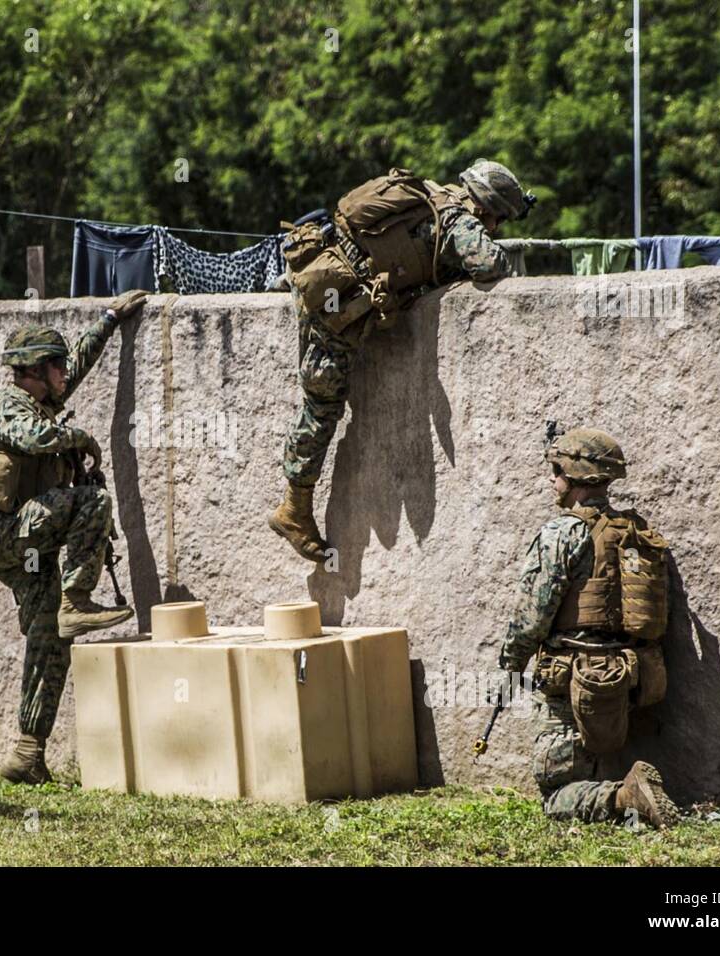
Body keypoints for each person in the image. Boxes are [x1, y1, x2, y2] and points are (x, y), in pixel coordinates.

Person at [270, 160, 534, 561]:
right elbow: (489, 265)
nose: (495, 228)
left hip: (321, 272)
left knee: (319, 397)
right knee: (321, 404)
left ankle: (295, 505)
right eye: (497, 219)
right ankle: (294, 509)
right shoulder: (458, 220)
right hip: (336, 299)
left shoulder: (431, 194)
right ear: (486, 208)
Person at [0, 291, 148, 784]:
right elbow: (35, 438)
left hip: (31, 540)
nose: (65, 373)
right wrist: (81, 438)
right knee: (93, 501)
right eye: (56, 366)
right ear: (34, 370)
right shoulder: (9, 404)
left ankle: (28, 752)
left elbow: (78, 366)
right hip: (4, 534)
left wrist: (108, 320)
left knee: (50, 637)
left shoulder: (42, 397)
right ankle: (77, 597)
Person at [498, 427, 679, 828]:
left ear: (577, 476)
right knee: (585, 764)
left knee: (556, 794)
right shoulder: (633, 530)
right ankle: (617, 786)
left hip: (573, 679)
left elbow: (532, 615)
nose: (552, 480)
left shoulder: (562, 532)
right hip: (630, 675)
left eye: (557, 471)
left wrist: (511, 661)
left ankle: (624, 796)